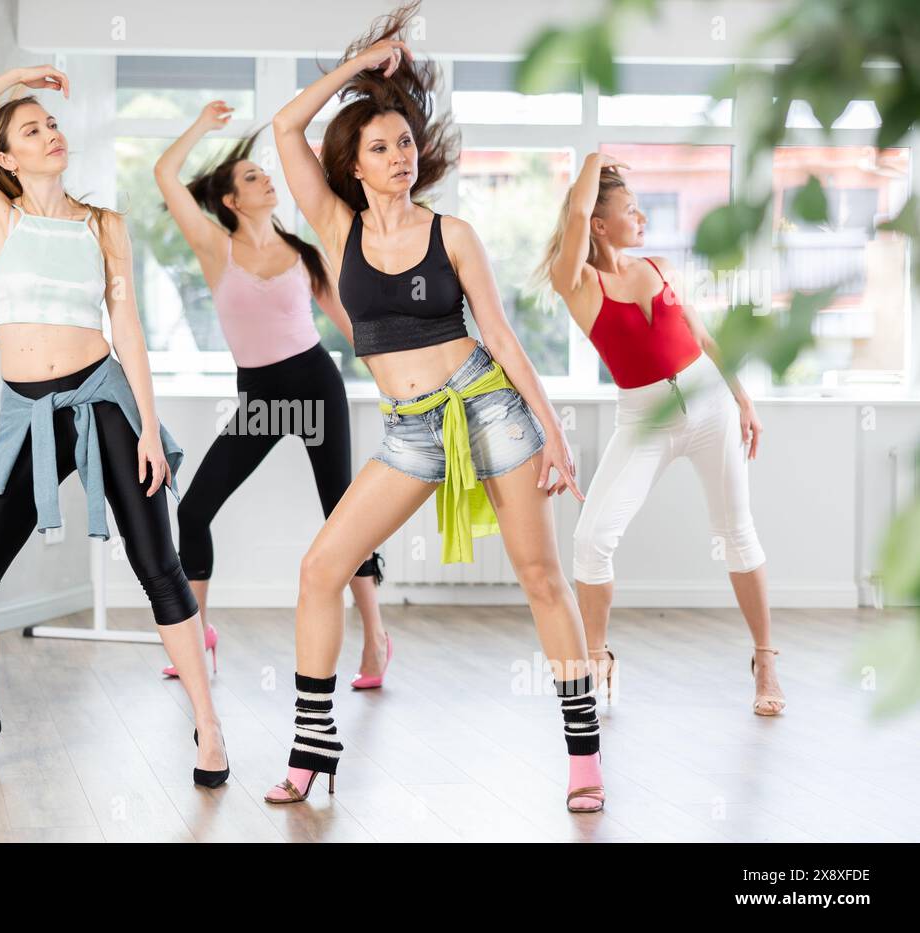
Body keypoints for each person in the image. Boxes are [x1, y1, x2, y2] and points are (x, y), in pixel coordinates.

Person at [265, 1, 605, 812]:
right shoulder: (335, 226)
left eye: (406, 144)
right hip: (409, 431)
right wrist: (359, 67)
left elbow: (505, 338)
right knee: (320, 568)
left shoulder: (453, 235)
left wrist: (554, 435)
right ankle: (315, 742)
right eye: (379, 147)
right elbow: (284, 129)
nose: (398, 157)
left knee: (540, 578)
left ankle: (585, 757)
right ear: (352, 162)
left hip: (487, 406)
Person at [0, 65, 229, 786]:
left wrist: (150, 429)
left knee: (158, 562)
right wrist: (13, 81)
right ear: (6, 158)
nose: (51, 134)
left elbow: (127, 326)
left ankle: (209, 723)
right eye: (33, 129)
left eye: (53, 123)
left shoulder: (104, 226)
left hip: (103, 398)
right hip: (24, 412)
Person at [538, 152, 785, 717]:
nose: (643, 218)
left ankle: (766, 660)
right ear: (599, 224)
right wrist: (595, 157)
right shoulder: (576, 280)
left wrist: (744, 399)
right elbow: (575, 214)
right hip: (644, 418)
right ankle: (597, 656)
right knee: (592, 539)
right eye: (631, 209)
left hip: (709, 405)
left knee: (736, 532)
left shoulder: (659, 267)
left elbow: (702, 333)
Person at [153, 105, 389, 687]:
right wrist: (202, 124)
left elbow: (354, 327)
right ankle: (196, 636)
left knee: (341, 513)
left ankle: (377, 641)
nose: (267, 180)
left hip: (315, 385)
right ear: (232, 201)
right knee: (194, 508)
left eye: (266, 174)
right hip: (259, 398)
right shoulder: (215, 247)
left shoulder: (304, 254)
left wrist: (403, 382)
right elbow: (164, 173)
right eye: (253, 178)